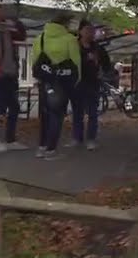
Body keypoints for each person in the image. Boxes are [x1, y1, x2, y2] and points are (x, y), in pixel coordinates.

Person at [30, 15, 82, 160]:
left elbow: (35, 62)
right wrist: (75, 81)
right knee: (57, 115)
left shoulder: (39, 39)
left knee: (45, 114)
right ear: (65, 23)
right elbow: (76, 63)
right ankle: (51, 149)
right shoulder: (70, 39)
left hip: (45, 81)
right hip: (63, 82)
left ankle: (41, 147)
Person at [0, 5, 29, 152]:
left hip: (9, 73)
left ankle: (10, 139)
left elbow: (21, 36)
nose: (4, 12)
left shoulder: (6, 29)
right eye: (0, 10)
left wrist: (16, 22)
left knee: (14, 106)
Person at [69, 19, 112, 151]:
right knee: (77, 112)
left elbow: (107, 64)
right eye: (87, 30)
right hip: (77, 83)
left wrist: (102, 72)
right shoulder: (73, 46)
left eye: (92, 31)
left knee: (93, 112)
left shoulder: (97, 48)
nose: (90, 33)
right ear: (80, 31)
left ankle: (91, 139)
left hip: (93, 83)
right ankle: (77, 138)